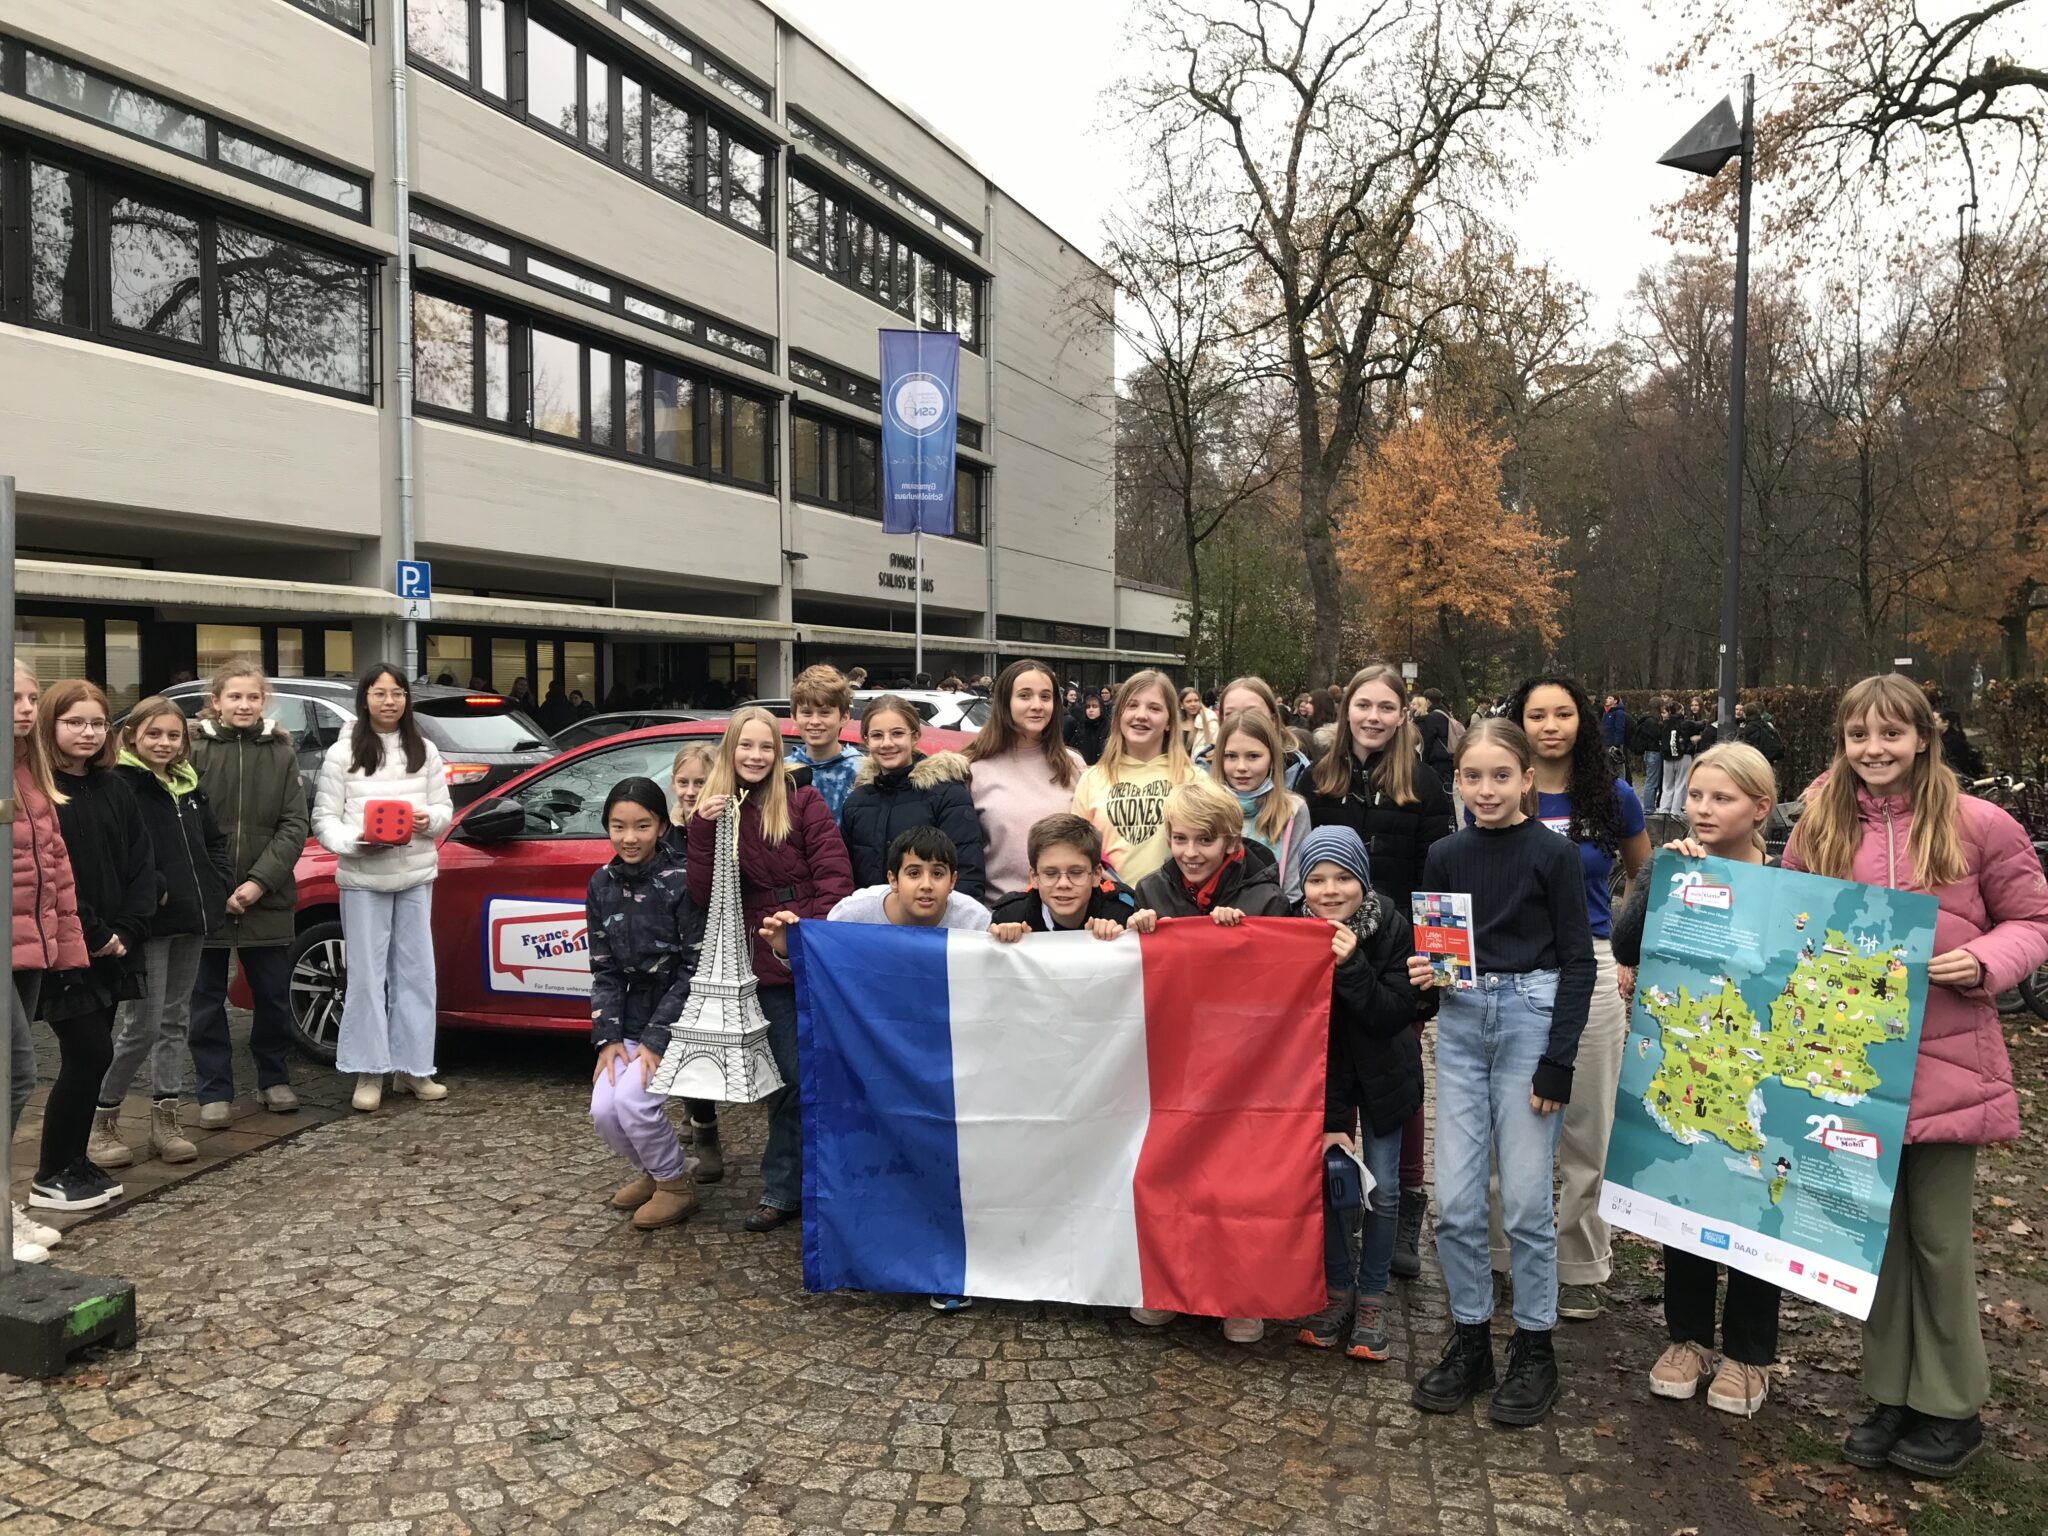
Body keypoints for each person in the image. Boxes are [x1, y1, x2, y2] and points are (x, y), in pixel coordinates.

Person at [1781, 674, 2048, 1479]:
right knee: (1876, 1239)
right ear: (1844, 742)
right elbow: (1783, 919)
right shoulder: (1818, 826)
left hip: (1946, 1063)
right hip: (1851, 1066)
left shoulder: (1979, 824)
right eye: (1860, 736)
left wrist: (1988, 961)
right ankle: (1890, 1393)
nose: (1875, 751)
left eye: (1891, 735)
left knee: (1936, 1241)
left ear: (1924, 737)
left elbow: (2032, 921)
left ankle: (1951, 1405)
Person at [1407, 720, 1595, 1428]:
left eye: (1499, 777)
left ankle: (1536, 1345)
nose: (1485, 791)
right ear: (1457, 781)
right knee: (1455, 1202)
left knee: (1521, 1202)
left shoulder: (1555, 856)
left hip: (1530, 1019)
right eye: (1472, 777)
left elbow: (1579, 960)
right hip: (1460, 1024)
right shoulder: (1445, 855)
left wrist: (1559, 1059)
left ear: (1527, 779)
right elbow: (1436, 959)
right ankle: (1472, 1337)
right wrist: (1423, 978)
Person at [1611, 741, 1783, 1416]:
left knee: (1755, 1199)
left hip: (1762, 1067)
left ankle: (1748, 1353)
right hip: (1688, 1059)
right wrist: (1664, 884)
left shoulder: (1790, 876)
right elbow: (1626, 945)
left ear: (1759, 808)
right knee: (1688, 1196)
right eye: (1697, 796)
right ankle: (1687, 1338)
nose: (1704, 809)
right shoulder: (1671, 866)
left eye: (1723, 798)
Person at [1496, 676, 1651, 1320]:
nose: (1551, 725)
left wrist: (1627, 951)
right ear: (1520, 723)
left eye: (1564, 713)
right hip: (1511, 961)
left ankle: (1580, 1262)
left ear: (1584, 722)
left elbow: (1646, 875)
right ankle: (1505, 1254)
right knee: (1511, 1117)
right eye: (1537, 714)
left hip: (1587, 960)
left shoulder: (1611, 797)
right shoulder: (1500, 782)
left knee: (1587, 1123)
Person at [1123, 779, 1290, 1342]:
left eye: (1204, 841)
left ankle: (1239, 1293)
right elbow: (1133, 973)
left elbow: (1284, 981)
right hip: (1174, 1054)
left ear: (1231, 842)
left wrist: (1246, 941)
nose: (1190, 852)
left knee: (1236, 1179)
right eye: (1179, 838)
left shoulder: (1267, 898)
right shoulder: (1150, 888)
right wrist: (1136, 931)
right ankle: (1171, 1286)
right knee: (1171, 1171)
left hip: (1244, 1061)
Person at [1304, 664, 1456, 1275]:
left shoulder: (1423, 783)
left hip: (1398, 951)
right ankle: (1339, 1205)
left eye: (1385, 707)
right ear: (1346, 712)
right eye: (1362, 705)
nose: (1372, 717)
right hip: (1325, 946)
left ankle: (1404, 1202)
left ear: (1403, 715)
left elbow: (1438, 880)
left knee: (1398, 1085)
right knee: (1332, 1080)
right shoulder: (1318, 778)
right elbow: (1305, 863)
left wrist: (1435, 970)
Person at [691, 707, 853, 1232]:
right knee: (783, 1077)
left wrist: (805, 929)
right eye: (745, 746)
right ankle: (787, 1184)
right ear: (729, 750)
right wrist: (701, 831)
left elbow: (835, 877)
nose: (756, 756)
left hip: (805, 945)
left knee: (811, 1076)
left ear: (778, 753)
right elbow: (703, 894)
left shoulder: (803, 801)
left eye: (765, 747)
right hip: (753, 952)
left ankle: (801, 1185)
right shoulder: (718, 812)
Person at [1289, 826, 1436, 1362]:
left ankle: (1371, 1296)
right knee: (1331, 1184)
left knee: (1385, 1189)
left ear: (1363, 880)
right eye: (1317, 879)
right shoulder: (1291, 931)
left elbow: (1391, 1013)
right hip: (1324, 1081)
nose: (1331, 891)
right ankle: (1336, 1290)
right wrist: (1328, 1116)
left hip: (1386, 1074)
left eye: (1344, 877)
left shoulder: (1394, 928)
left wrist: (1350, 965)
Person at [29, 680, 155, 1214]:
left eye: (97, 723)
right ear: (50, 725)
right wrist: (95, 930)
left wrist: (127, 928)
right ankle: (51, 1169)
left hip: (115, 944)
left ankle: (74, 1159)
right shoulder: (39, 788)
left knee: (93, 1053)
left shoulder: (114, 787)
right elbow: (52, 877)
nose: (88, 732)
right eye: (74, 722)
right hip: (66, 945)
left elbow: (139, 862)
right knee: (88, 1051)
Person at [90, 698, 231, 1169]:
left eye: (173, 735)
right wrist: (153, 890)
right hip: (148, 924)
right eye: (154, 734)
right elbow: (120, 850)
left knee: (176, 1021)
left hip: (192, 918)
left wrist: (218, 883)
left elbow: (212, 841)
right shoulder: (121, 785)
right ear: (131, 736)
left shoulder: (189, 784)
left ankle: (165, 1120)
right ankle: (101, 1117)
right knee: (141, 1026)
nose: (164, 743)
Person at [312, 665, 454, 1113]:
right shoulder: (342, 754)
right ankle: (369, 1070)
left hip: (414, 875)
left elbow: (445, 808)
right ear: (365, 699)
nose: (389, 701)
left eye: (397, 693)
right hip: (363, 879)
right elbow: (324, 820)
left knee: (417, 974)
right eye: (379, 693)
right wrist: (353, 843)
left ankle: (415, 1069)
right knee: (367, 979)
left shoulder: (424, 750)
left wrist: (430, 820)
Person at [187, 663, 311, 1125]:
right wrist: (215, 885)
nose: (243, 705)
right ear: (216, 700)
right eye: (234, 697)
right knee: (204, 1000)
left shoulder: (281, 753)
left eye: (253, 698)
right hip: (208, 897)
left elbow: (294, 824)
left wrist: (258, 883)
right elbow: (185, 822)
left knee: (274, 996)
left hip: (268, 896)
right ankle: (213, 1089)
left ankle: (273, 1078)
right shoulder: (193, 748)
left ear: (265, 702)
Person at [588, 777, 704, 1233]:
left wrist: (657, 1039)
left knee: (634, 1103)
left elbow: (693, 968)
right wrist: (608, 1038)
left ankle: (676, 1186)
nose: (629, 837)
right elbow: (604, 968)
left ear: (660, 825)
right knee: (603, 1110)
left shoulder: (681, 881)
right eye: (618, 827)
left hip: (676, 1016)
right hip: (628, 1019)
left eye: (641, 825)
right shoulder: (600, 883)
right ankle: (657, 1172)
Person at [10, 663, 88, 1258]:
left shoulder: (29, 770)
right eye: (14, 697)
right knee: (16, 1076)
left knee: (15, 1075)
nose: (27, 708)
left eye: (33, 697)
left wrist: (65, 943)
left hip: (31, 945)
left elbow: (54, 862)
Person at [840, 695, 986, 900]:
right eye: (877, 736)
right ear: (865, 740)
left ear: (915, 736)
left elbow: (967, 874)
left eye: (897, 733)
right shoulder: (856, 802)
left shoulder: (947, 796)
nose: (887, 743)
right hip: (871, 925)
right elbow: (844, 875)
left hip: (931, 924)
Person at [965, 660, 1085, 898]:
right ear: (1004, 702)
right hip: (997, 919)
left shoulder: (1074, 766)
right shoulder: (972, 768)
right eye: (1025, 695)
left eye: (1045, 696)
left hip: (1066, 921)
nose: (1037, 705)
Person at [663, 742, 724, 1179]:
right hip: (672, 948)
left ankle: (706, 1132)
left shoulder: (722, 827)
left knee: (702, 1044)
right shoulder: (663, 832)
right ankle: (696, 1119)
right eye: (682, 782)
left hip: (712, 947)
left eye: (700, 782)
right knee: (682, 1039)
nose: (689, 791)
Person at [1070, 670, 1193, 886]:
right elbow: (1075, 849)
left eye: (1154, 708)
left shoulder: (1193, 778)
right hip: (1109, 911)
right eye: (1132, 706)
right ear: (1119, 717)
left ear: (1169, 721)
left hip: (1174, 909)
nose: (1141, 715)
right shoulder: (1092, 779)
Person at [1208, 709, 1310, 902]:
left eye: (1253, 756)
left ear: (1272, 758)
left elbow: (1294, 888)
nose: (1241, 767)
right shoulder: (1204, 807)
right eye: (1230, 756)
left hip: (1270, 920)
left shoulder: (1293, 809)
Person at [987, 814, 1136, 939]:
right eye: (1051, 874)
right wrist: (1001, 944)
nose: (1063, 884)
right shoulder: (1009, 917)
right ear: (1034, 878)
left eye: (1076, 873)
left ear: (1096, 875)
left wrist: (1128, 933)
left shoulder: (1123, 914)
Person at [1191, 676, 1314, 787]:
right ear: (1221, 721)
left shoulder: (1299, 772)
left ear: (1273, 720)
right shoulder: (1202, 768)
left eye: (1253, 713)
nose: (1242, 720)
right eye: (1230, 714)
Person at [786, 665, 863, 822]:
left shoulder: (862, 771)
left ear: (844, 717)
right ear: (794, 717)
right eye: (806, 713)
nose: (815, 721)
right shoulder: (783, 771)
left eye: (825, 712)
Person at [1659, 698, 1699, 815]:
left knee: (1667, 785)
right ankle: (1676, 811)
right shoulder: (1685, 723)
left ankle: (1664, 810)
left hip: (1667, 757)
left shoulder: (1664, 724)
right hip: (1683, 755)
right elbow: (1700, 725)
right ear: (1679, 711)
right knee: (1681, 784)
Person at [1410, 691, 1455, 783]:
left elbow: (1428, 739)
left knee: (1440, 784)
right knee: (1447, 785)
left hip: (1438, 757)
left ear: (1428, 701)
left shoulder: (1432, 716)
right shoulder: (1445, 712)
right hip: (1448, 754)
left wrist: (1425, 760)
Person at [1631, 701, 1667, 803]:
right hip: (1653, 752)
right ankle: (1649, 807)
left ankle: (1650, 806)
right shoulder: (1652, 722)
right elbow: (1658, 735)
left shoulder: (1647, 720)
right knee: (1652, 781)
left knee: (1651, 779)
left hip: (1650, 752)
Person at [1937, 709, 1986, 784]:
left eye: (1935, 720)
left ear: (1946, 723)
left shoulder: (1952, 740)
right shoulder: (1945, 738)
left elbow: (1954, 763)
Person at [1069, 693, 1111, 766]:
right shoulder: (1082, 725)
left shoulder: (1108, 726)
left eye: (1094, 707)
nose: (1090, 710)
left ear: (1101, 708)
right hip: (1083, 768)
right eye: (1088, 707)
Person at [1179, 687, 1217, 758]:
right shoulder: (1174, 723)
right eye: (1189, 701)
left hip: (1199, 767)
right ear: (1181, 705)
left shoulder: (1210, 721)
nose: (1193, 704)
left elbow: (1216, 747)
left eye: (1196, 700)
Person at [1600, 694, 1629, 777]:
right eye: (1607, 697)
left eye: (1610, 698)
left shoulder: (1619, 713)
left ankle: (1622, 784)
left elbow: (1619, 728)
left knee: (1618, 766)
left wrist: (1617, 744)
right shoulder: (1606, 713)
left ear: (1615, 701)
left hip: (1614, 744)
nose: (1607, 699)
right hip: (1606, 743)